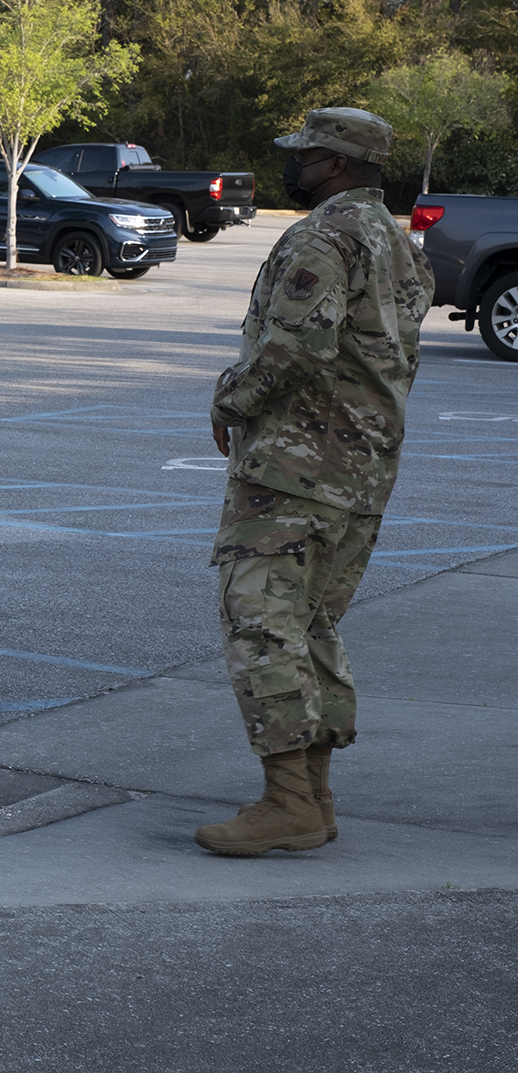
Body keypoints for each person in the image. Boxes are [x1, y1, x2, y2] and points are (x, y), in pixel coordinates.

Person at [196, 107, 433, 855]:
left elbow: (295, 345)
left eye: (304, 155)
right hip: (363, 468)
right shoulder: (397, 241)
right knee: (308, 625)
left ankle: (289, 800)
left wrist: (229, 400)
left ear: (336, 163)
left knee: (260, 619)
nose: (294, 166)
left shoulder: (324, 236)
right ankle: (314, 799)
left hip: (298, 466)